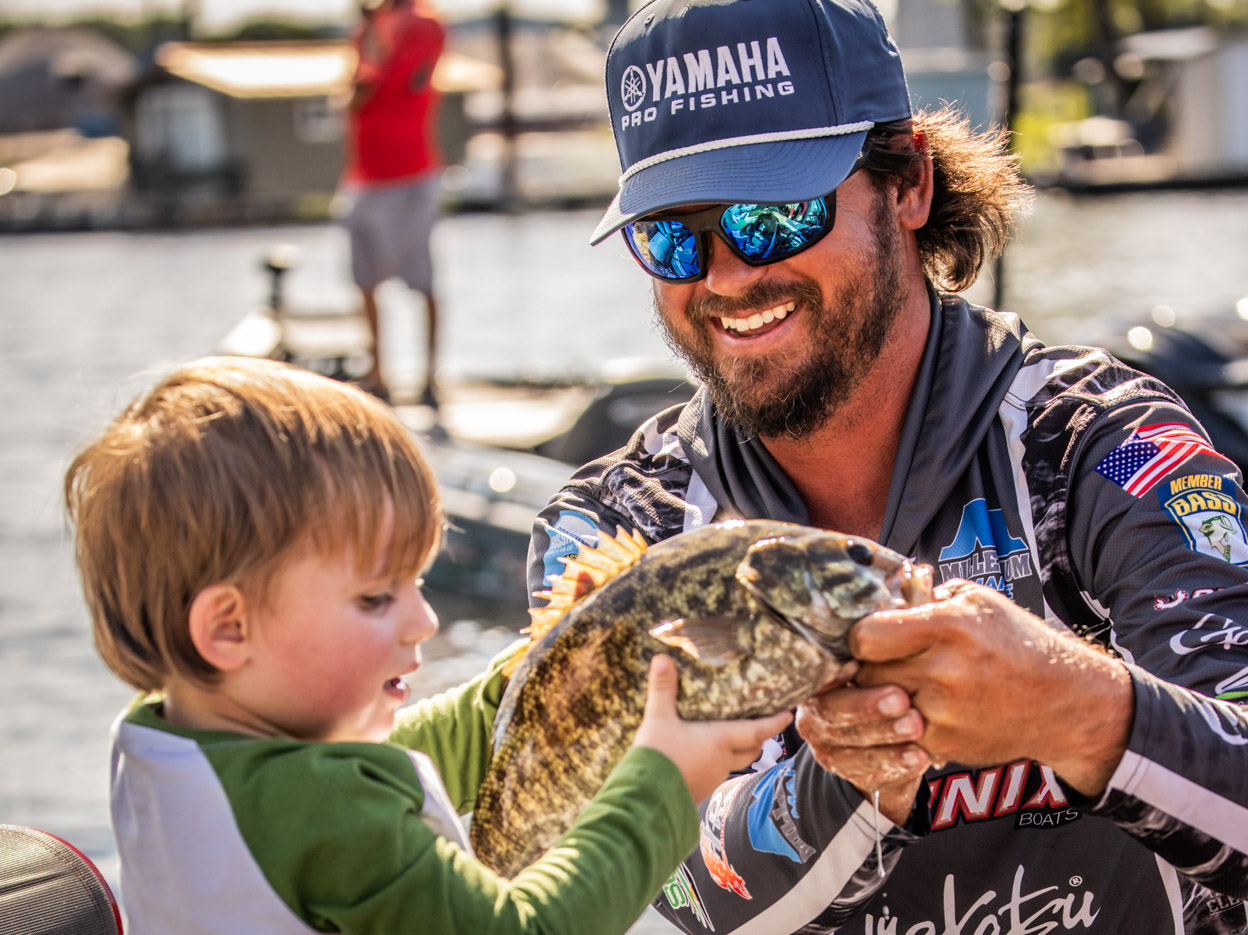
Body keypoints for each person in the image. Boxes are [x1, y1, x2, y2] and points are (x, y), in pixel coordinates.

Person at [524, 0, 1248, 932]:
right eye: (674, 236)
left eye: (773, 214)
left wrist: (1075, 708)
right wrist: (850, 779)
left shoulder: (1106, 443)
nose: (726, 275)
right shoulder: (612, 532)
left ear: (910, 183)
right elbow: (620, 900)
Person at [63, 355, 791, 933]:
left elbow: (397, 758)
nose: (423, 621)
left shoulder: (168, 740)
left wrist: (537, 671)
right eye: (375, 597)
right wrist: (664, 776)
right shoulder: (327, 811)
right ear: (228, 627)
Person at [343, 0, 446, 406]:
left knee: (423, 280)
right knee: (364, 280)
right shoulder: (368, 28)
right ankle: (378, 376)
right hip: (364, 176)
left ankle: (430, 379)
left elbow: (386, 81)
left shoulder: (422, 22)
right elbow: (355, 97)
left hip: (410, 175)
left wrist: (371, 34)